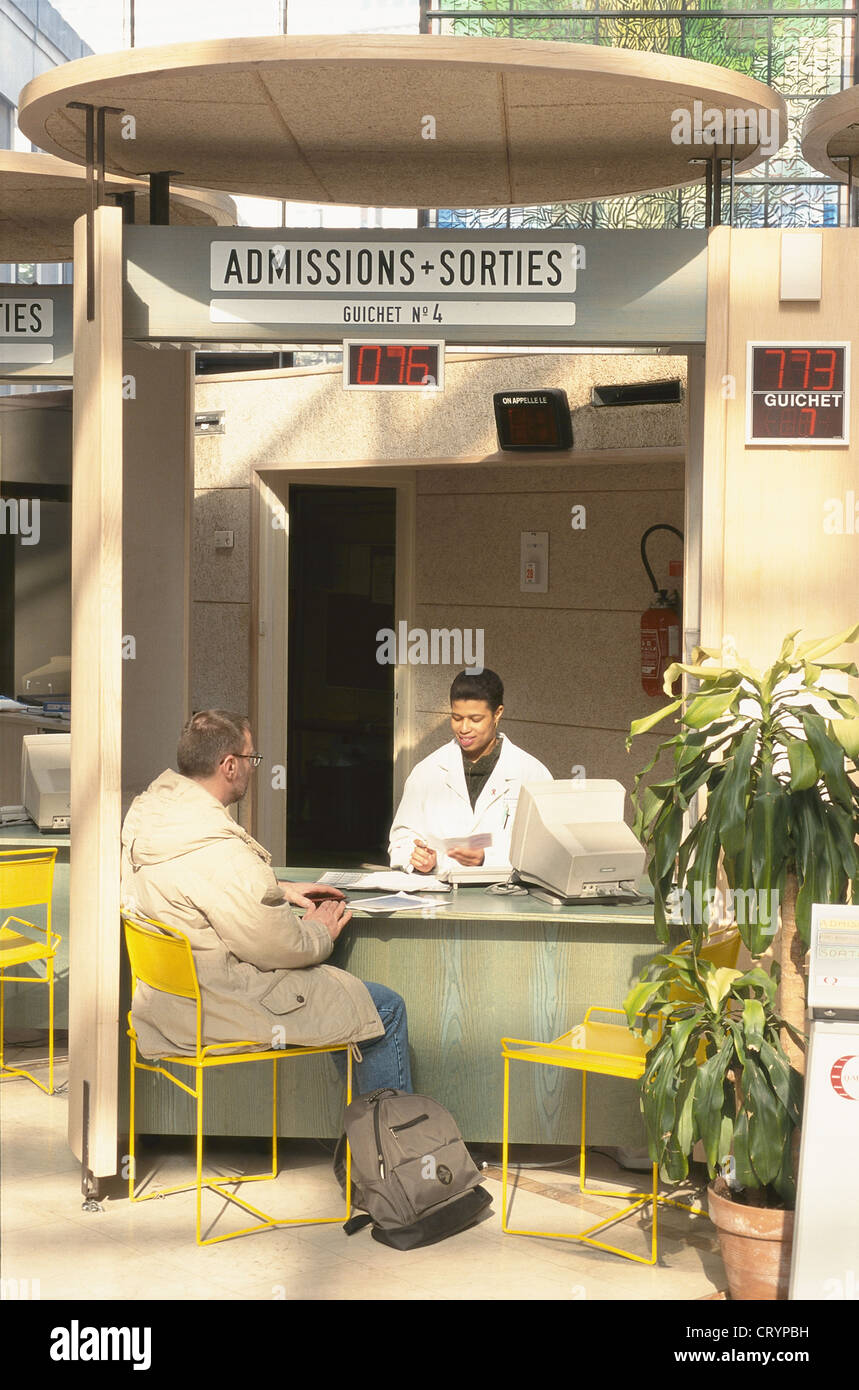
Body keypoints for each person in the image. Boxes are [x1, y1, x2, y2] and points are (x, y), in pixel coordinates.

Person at [121, 709, 411, 1095]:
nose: (253, 767)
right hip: (219, 1007)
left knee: (352, 1002)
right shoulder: (221, 851)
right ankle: (382, 1150)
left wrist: (275, 886)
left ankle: (367, 1140)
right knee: (381, 1008)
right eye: (250, 758)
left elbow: (197, 882)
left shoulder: (152, 820)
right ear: (228, 765)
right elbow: (278, 947)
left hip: (167, 1005)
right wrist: (319, 932)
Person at [388, 669, 552, 875]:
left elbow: (545, 851)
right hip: (439, 898)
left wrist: (486, 858)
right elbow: (401, 839)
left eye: (475, 719)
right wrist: (418, 858)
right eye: (457, 718)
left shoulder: (532, 774)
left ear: (497, 713)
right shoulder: (426, 771)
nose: (464, 728)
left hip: (506, 898)